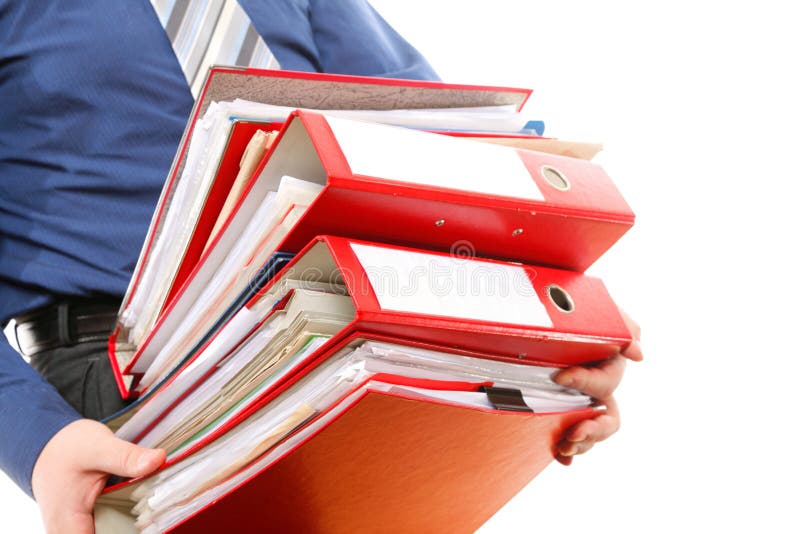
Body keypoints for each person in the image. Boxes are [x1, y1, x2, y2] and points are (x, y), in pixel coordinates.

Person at [0, 1, 642, 532]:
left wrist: (551, 315)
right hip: (126, 375)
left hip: (345, 331)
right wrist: (38, 441)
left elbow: (441, 146)